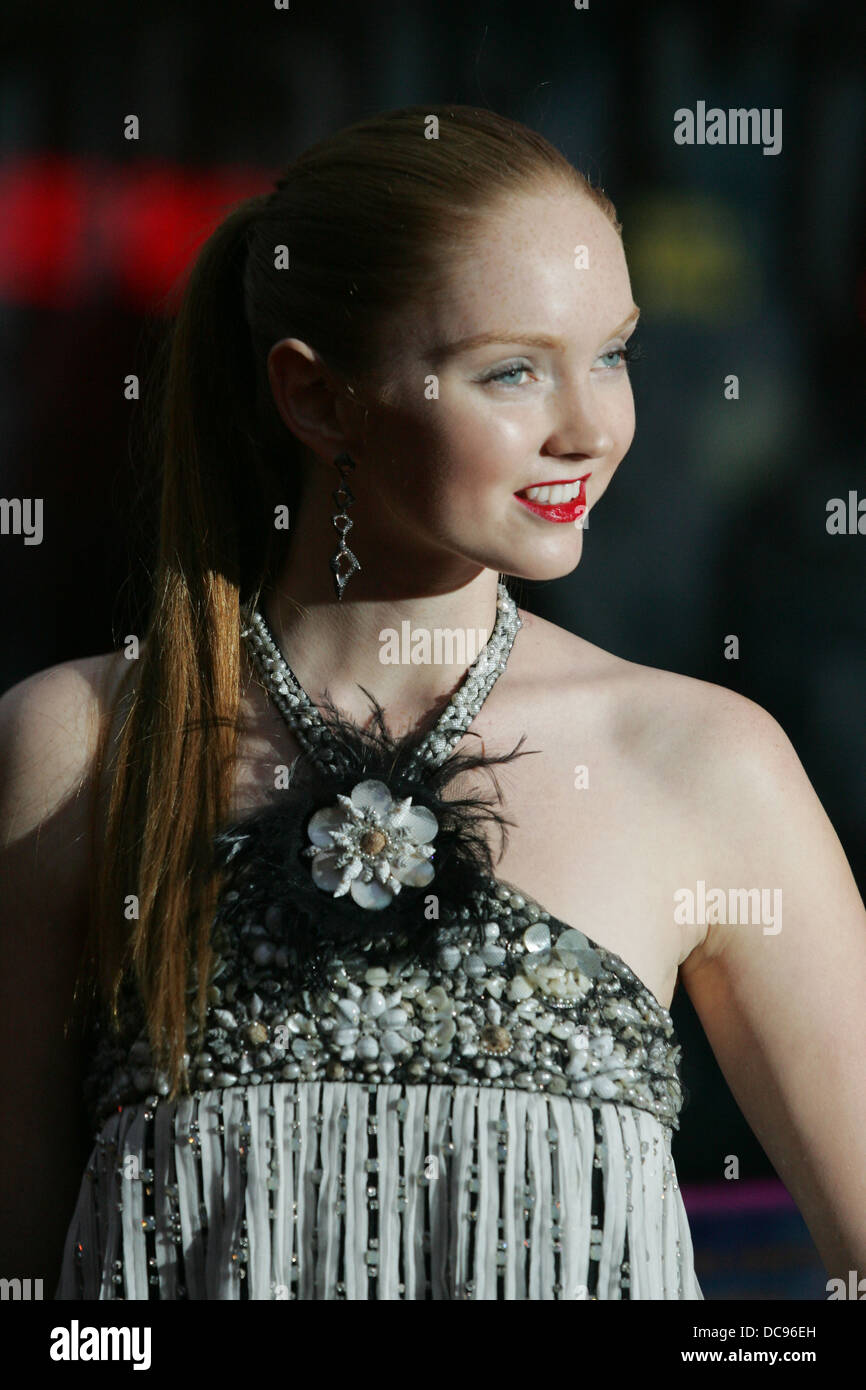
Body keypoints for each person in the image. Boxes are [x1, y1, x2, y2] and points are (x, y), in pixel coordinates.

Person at [2, 104, 865, 1301]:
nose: (590, 424)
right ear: (315, 399)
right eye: (510, 369)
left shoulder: (705, 763)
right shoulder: (80, 746)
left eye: (611, 351)